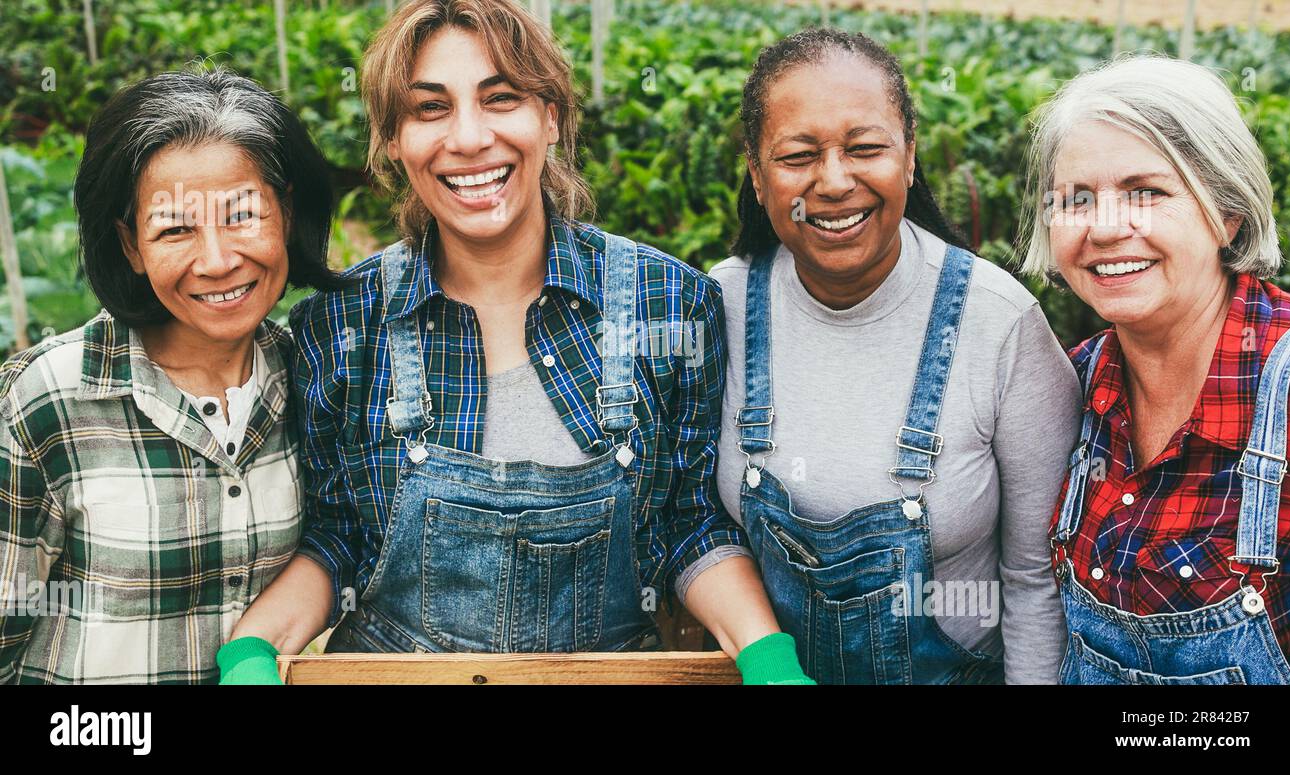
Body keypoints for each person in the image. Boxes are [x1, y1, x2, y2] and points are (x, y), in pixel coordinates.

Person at [217, 0, 810, 685]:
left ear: (550, 117)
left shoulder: (667, 302)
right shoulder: (342, 323)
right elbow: (340, 537)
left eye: (501, 98)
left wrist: (769, 657)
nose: (469, 137)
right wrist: (253, 648)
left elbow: (687, 525)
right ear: (392, 141)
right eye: (429, 108)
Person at [706, 28, 1078, 684]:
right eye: (797, 155)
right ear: (758, 175)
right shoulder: (723, 304)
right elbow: (693, 522)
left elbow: (1033, 582)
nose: (834, 180)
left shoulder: (998, 322)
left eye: (865, 148)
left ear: (909, 156)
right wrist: (765, 661)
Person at [0, 68, 347, 683]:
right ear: (130, 245)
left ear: (286, 214)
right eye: (174, 229)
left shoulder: (312, 378)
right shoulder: (46, 399)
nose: (216, 260)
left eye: (243, 215)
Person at [1023, 55, 1290, 684]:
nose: (1106, 226)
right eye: (1076, 198)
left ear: (1225, 211)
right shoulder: (1069, 384)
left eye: (1147, 192)